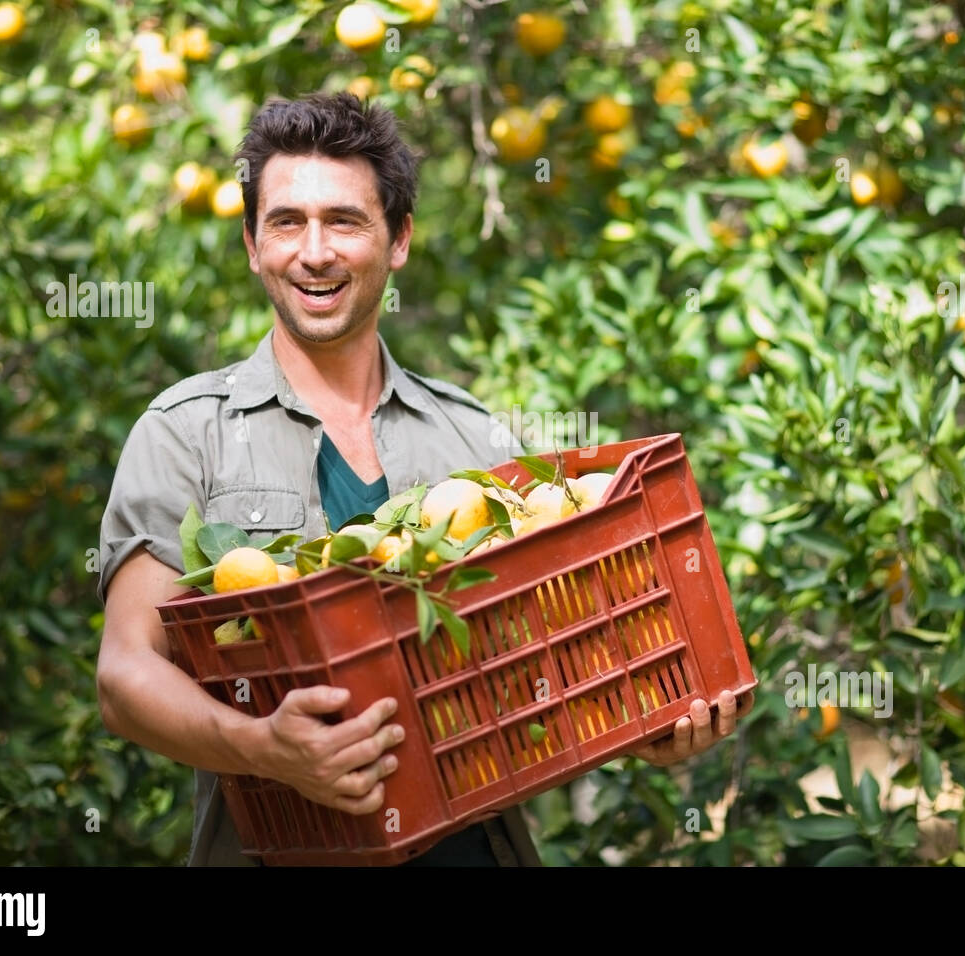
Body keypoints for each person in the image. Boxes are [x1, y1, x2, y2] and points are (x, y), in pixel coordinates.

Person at [95, 91, 752, 867]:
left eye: (345, 221)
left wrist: (643, 720)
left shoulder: (475, 438)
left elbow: (547, 662)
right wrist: (264, 747)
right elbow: (125, 675)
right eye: (286, 222)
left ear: (399, 239)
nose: (314, 252)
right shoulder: (186, 433)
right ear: (251, 243)